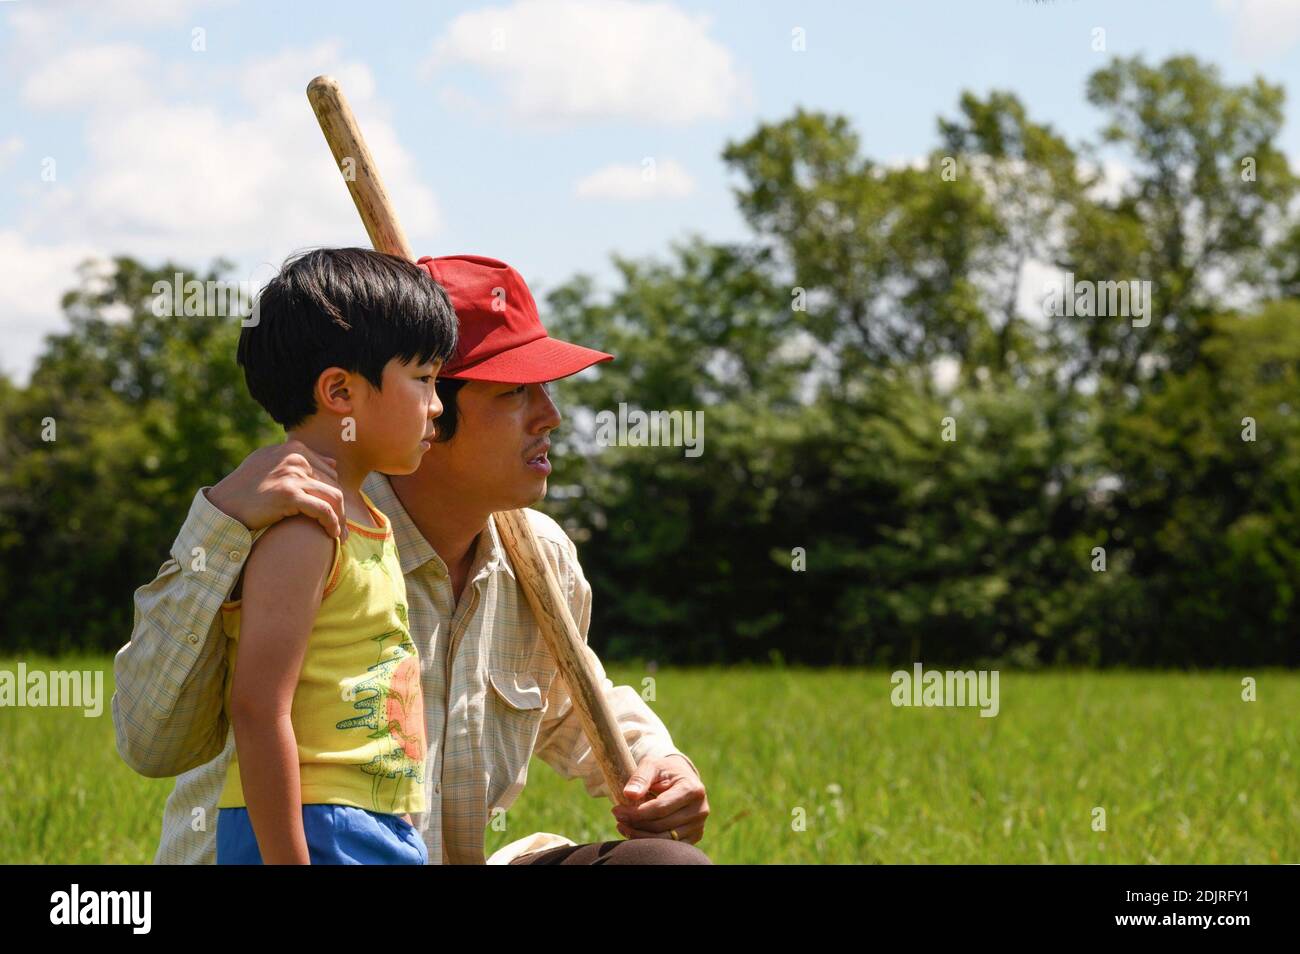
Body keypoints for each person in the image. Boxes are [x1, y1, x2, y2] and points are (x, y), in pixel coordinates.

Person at [113, 253, 712, 865]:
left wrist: (658, 762)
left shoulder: (542, 556)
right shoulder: (295, 524)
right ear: (432, 406)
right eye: (513, 392)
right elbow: (149, 742)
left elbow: (572, 701)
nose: (551, 416)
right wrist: (217, 525)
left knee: (665, 867)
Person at [214, 247, 457, 864]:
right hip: (316, 826)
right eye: (424, 379)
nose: (437, 405)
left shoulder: (368, 520)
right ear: (340, 391)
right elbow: (257, 706)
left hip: (369, 823)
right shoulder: (305, 530)